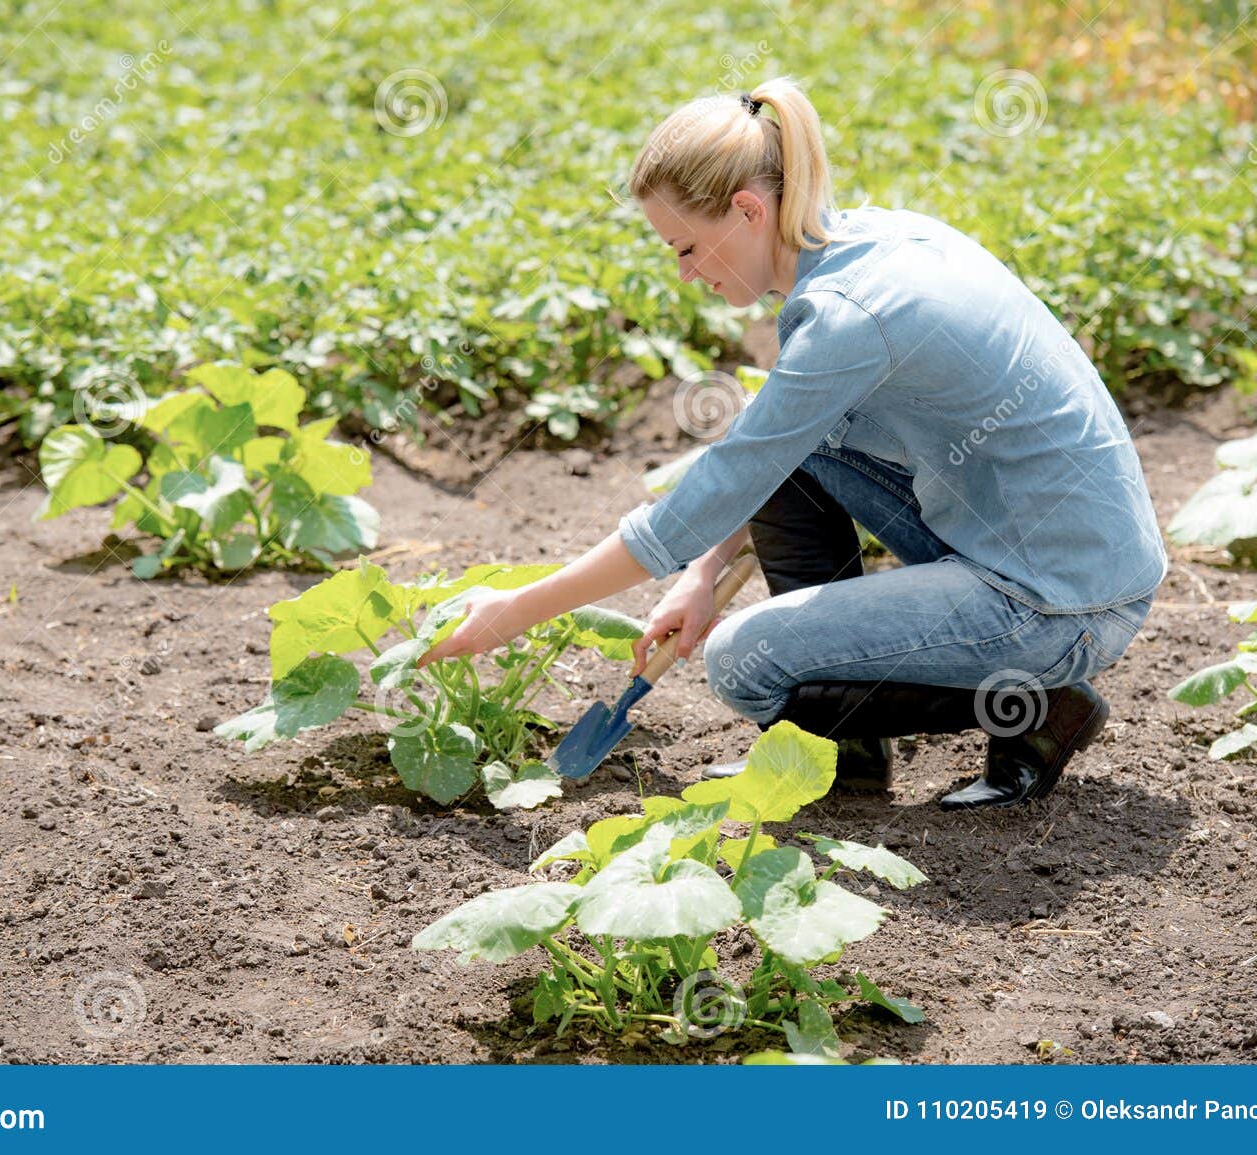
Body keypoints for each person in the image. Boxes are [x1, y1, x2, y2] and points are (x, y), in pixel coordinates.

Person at [419, 77, 1167, 810]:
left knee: (740, 662)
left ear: (747, 210)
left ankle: (1044, 702)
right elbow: (768, 449)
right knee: (780, 439)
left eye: (685, 249)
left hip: (1059, 598)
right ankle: (847, 754)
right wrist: (705, 576)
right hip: (1045, 538)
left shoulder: (850, 316)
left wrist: (517, 608)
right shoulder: (874, 243)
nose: (685, 276)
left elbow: (685, 514)